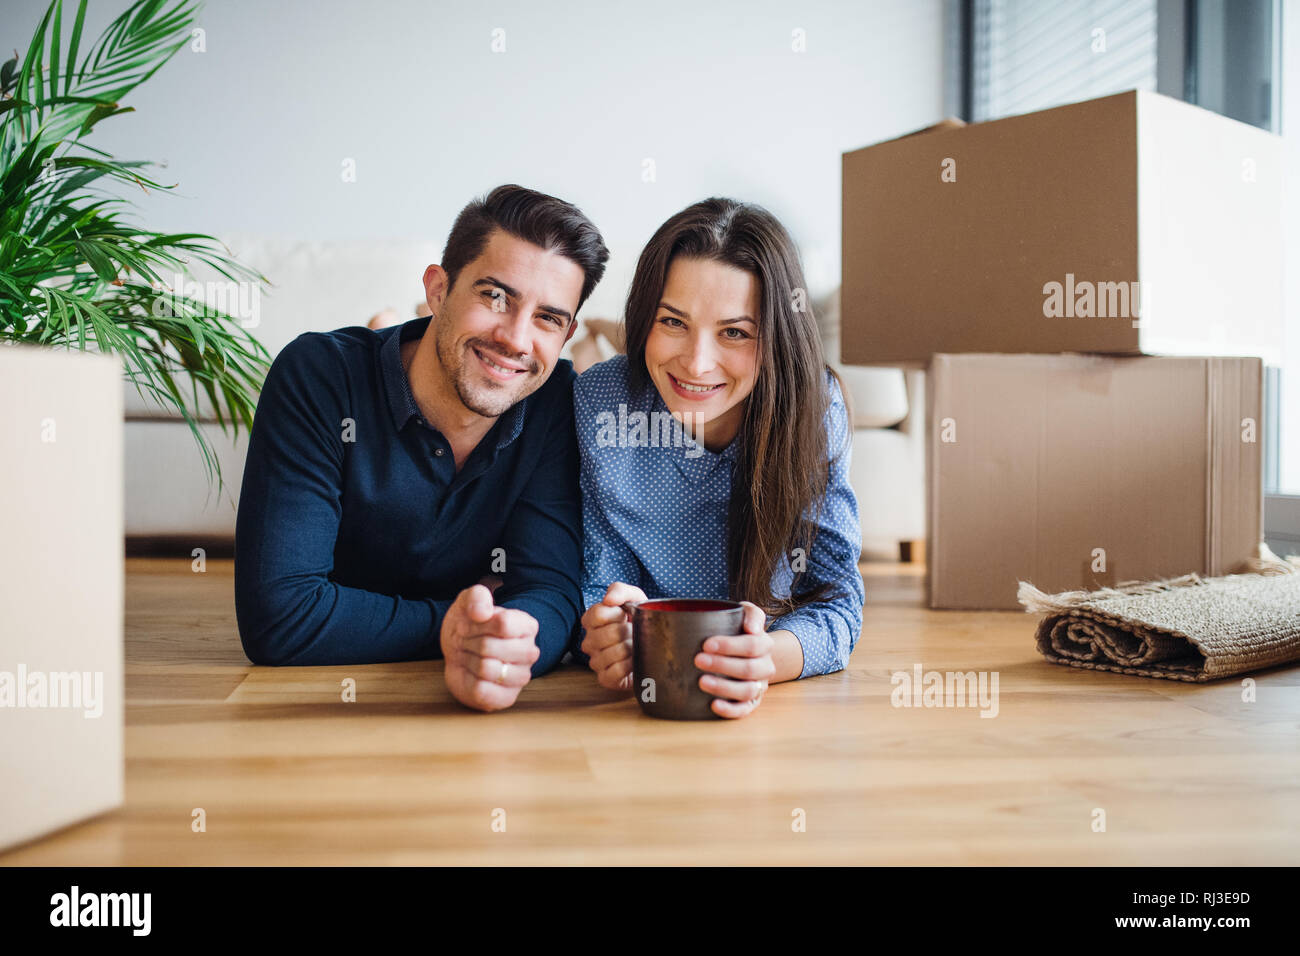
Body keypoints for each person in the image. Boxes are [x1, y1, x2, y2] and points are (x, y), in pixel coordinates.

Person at [235, 184, 609, 713]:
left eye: (548, 318)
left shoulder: (553, 402)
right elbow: (282, 617)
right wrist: (455, 625)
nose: (516, 339)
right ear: (437, 289)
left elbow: (549, 597)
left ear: (567, 334)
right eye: (495, 297)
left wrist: (505, 641)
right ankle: (384, 323)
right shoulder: (317, 375)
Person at [574, 198, 865, 718]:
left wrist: (766, 658)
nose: (696, 362)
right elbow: (596, 578)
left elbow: (837, 601)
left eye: (734, 332)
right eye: (673, 321)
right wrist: (606, 629)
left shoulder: (814, 408)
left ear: (776, 338)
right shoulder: (600, 401)